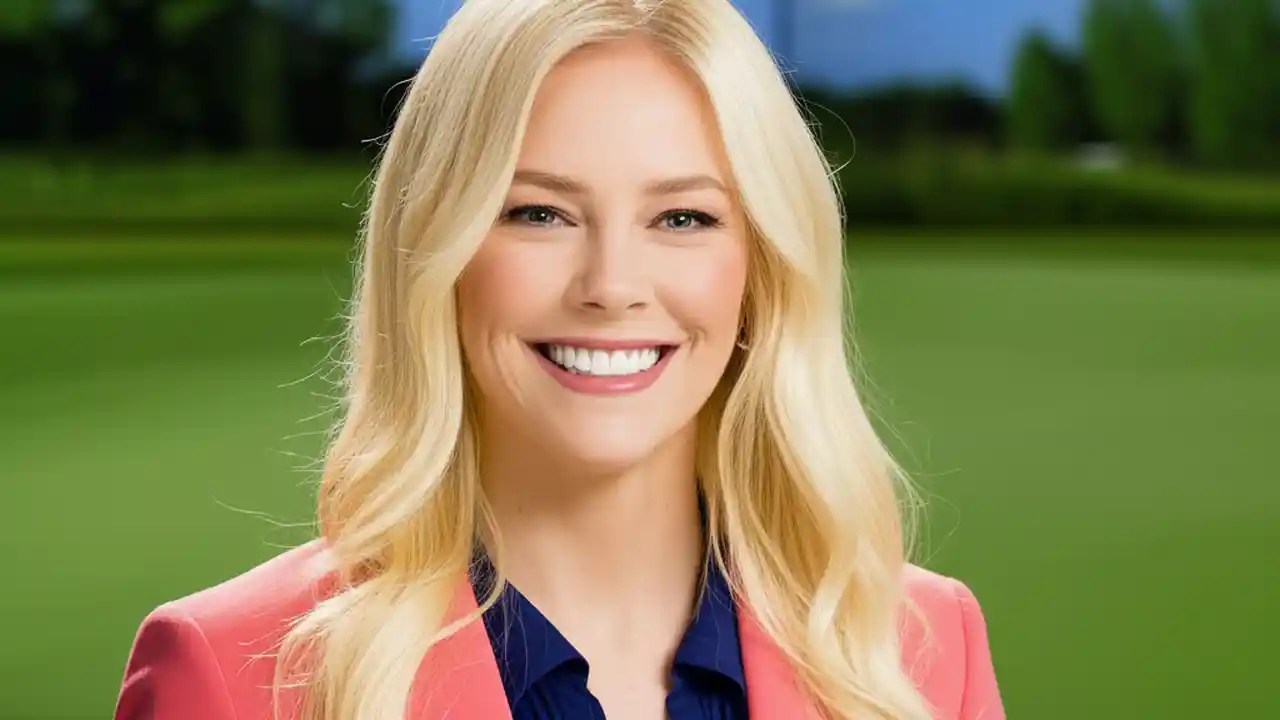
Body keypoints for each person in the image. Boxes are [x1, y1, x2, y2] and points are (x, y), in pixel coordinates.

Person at [114, 1, 1005, 719]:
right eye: (539, 213)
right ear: (436, 252)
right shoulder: (228, 678)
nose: (612, 286)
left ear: (761, 269)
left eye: (683, 218)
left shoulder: (924, 650)